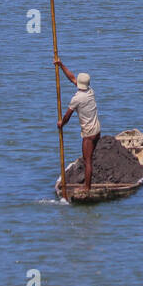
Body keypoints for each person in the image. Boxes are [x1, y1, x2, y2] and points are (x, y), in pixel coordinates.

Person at [55, 59, 101, 194]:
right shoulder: (90, 91)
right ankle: (88, 184)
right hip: (97, 130)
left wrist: (61, 124)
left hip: (89, 133)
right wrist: (61, 64)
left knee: (87, 161)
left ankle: (87, 187)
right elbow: (72, 78)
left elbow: (67, 115)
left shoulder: (77, 98)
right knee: (89, 159)